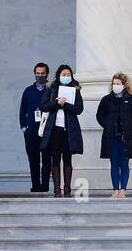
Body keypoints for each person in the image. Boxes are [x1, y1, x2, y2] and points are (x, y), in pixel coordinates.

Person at [96, 72, 132, 197]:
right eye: (113, 84)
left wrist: (130, 125)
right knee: (114, 163)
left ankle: (123, 189)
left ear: (124, 85)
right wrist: (107, 125)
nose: (115, 86)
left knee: (124, 163)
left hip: (126, 137)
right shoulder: (106, 99)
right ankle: (115, 190)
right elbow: (99, 115)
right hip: (111, 136)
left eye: (118, 84)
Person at [40, 65, 85, 199]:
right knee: (55, 159)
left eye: (68, 74)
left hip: (69, 130)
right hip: (54, 130)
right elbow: (43, 106)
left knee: (67, 159)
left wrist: (65, 105)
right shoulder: (51, 88)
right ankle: (57, 189)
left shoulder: (75, 90)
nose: (66, 77)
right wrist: (56, 103)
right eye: (63, 74)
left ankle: (67, 188)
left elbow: (79, 109)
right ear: (59, 75)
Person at [19, 63, 52, 193]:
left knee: (46, 160)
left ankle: (45, 186)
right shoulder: (28, 90)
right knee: (33, 160)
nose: (40, 76)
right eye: (37, 73)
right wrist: (24, 128)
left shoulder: (51, 90)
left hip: (46, 131)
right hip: (31, 131)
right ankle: (35, 186)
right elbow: (22, 111)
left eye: (42, 73)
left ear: (47, 74)